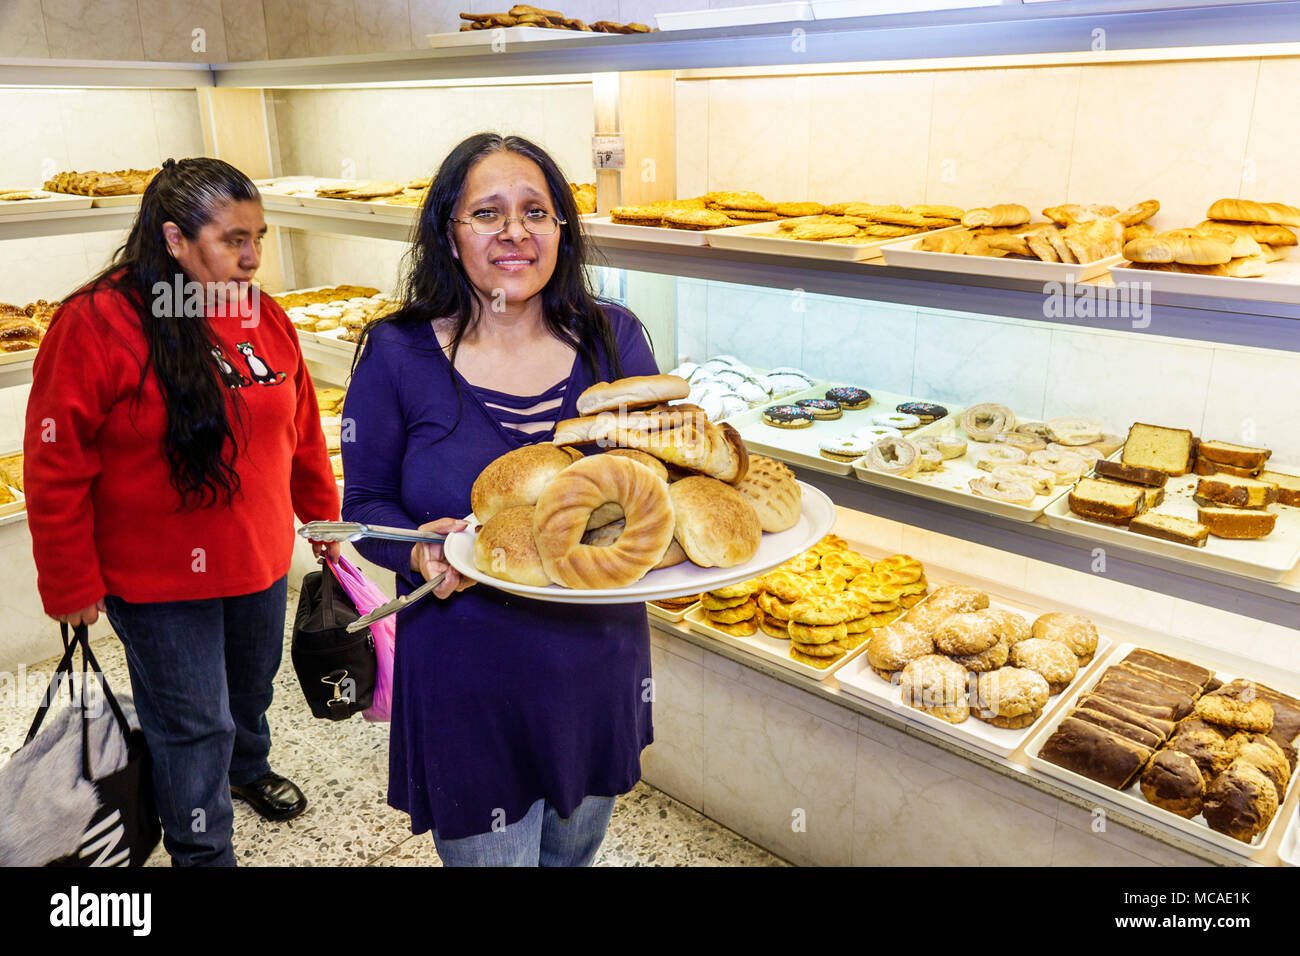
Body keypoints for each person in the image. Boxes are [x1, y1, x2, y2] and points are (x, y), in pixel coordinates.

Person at [342, 133, 659, 866]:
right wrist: (418, 548)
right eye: (487, 213)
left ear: (562, 231)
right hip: (466, 672)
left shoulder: (616, 341)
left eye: (536, 212)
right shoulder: (399, 353)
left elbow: (661, 487)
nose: (515, 233)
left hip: (596, 663)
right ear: (449, 235)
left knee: (572, 853)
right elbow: (365, 505)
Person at [24, 157, 341, 866]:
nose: (254, 255)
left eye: (259, 235)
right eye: (233, 239)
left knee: (249, 690)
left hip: (255, 557)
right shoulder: (96, 323)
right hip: (158, 579)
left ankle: (247, 768)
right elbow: (56, 460)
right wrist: (69, 583)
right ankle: (203, 851)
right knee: (191, 722)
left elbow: (301, 425)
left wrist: (321, 519)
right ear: (173, 239)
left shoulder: (258, 311)